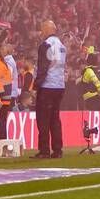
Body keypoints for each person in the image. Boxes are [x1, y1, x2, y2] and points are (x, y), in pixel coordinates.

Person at [33, 19, 66, 159]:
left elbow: (43, 67)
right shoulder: (62, 45)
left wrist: (36, 86)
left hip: (47, 85)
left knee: (43, 119)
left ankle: (44, 150)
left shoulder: (46, 45)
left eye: (42, 29)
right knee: (55, 119)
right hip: (59, 85)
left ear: (47, 29)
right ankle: (57, 150)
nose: (41, 32)